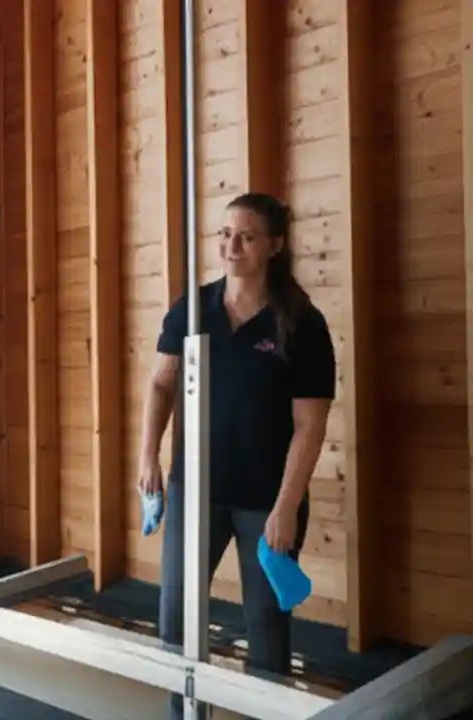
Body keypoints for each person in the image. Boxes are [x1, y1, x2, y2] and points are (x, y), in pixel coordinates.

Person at [136, 192, 336, 717]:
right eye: (225, 234)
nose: (232, 246)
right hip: (194, 491)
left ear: (274, 245)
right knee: (176, 621)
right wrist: (147, 457)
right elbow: (161, 385)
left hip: (265, 502)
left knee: (266, 629)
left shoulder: (301, 323)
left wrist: (286, 507)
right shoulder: (193, 309)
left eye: (247, 236)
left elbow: (309, 426)